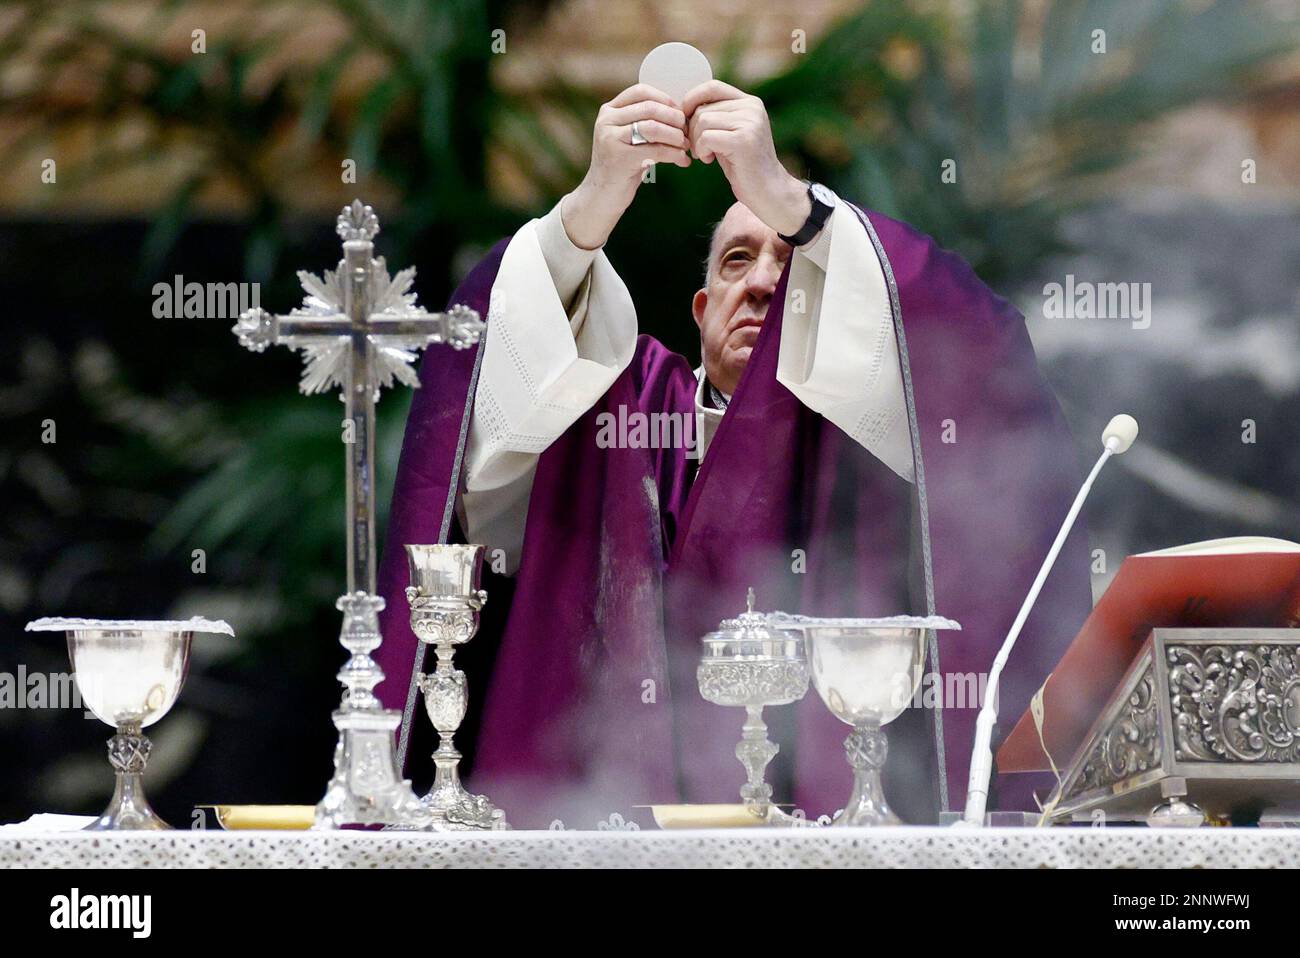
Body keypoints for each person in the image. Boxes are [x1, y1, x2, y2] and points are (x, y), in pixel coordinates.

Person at [375, 80, 1092, 827]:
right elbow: (492, 374)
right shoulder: (610, 414)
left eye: (789, 266)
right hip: (597, 828)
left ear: (833, 308)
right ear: (701, 308)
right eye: (736, 262)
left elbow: (980, 361)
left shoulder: (869, 441)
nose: (759, 284)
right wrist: (591, 207)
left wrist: (794, 203)